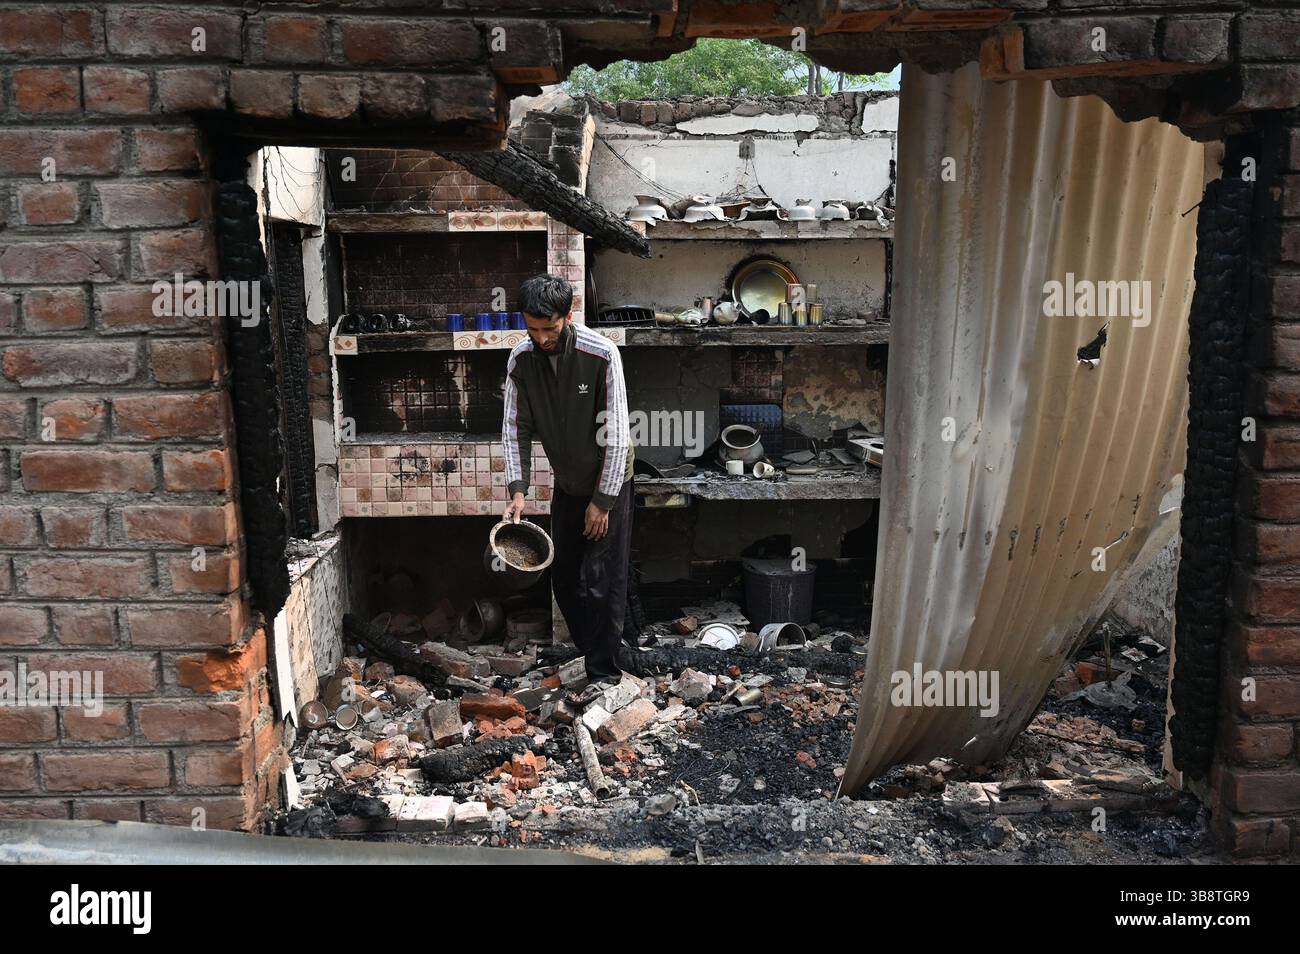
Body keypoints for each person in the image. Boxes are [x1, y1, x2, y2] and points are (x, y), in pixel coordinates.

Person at [501, 274, 634, 685]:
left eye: (550, 328)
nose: (541, 338)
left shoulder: (601, 353)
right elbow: (513, 428)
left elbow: (617, 434)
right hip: (568, 483)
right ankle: (596, 651)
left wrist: (603, 501)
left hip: (608, 482)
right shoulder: (521, 359)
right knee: (564, 577)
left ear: (568, 316)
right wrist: (518, 491)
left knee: (602, 581)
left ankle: (605, 675)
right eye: (533, 328)